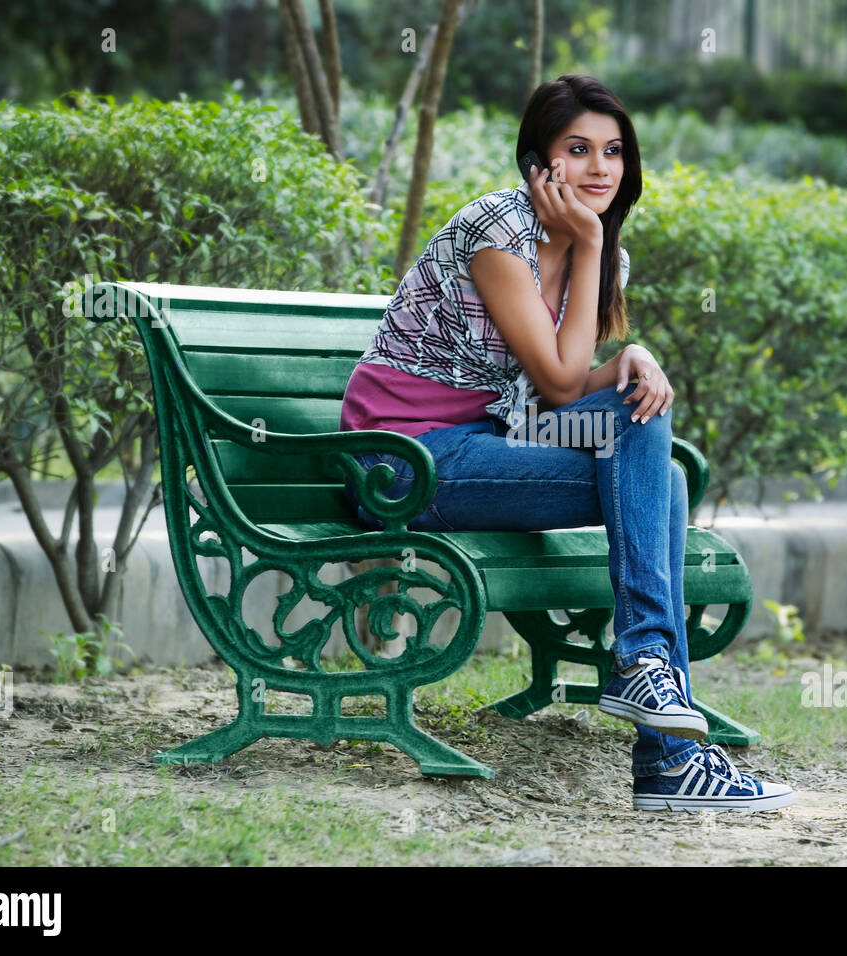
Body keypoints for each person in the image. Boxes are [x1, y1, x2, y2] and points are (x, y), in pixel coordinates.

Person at [341, 74, 795, 812]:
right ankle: (665, 739)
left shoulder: (602, 254)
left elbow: (572, 381)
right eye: (577, 149)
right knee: (657, 487)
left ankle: (649, 685)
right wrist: (590, 251)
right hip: (401, 461)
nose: (599, 168)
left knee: (645, 434)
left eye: (613, 151)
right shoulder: (498, 229)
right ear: (537, 163)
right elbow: (557, 384)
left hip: (483, 443)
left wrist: (628, 360)